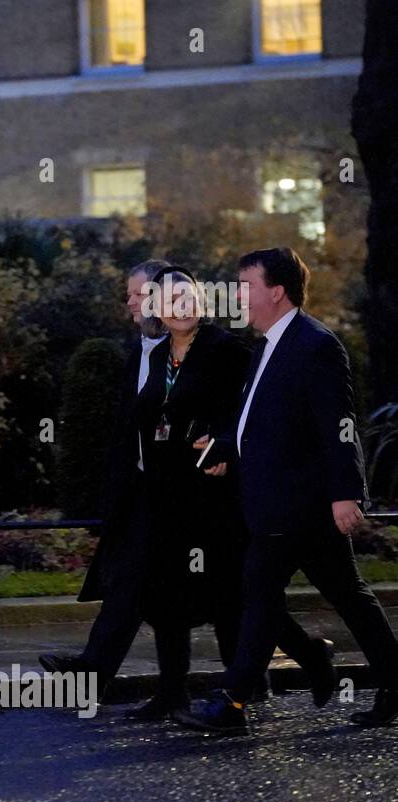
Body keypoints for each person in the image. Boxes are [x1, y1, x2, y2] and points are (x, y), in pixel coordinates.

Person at [178, 247, 396, 735]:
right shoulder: (269, 344)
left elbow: (339, 424)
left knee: (258, 591)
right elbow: (256, 419)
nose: (238, 296)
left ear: (275, 291)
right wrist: (222, 449)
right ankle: (390, 680)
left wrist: (347, 492)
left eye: (246, 287)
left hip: (296, 502)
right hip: (283, 501)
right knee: (347, 594)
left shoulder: (315, 344)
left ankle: (232, 702)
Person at [129, 267, 326, 719]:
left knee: (230, 593)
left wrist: (222, 441)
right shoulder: (159, 358)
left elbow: (252, 412)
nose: (180, 305)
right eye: (170, 298)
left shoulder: (226, 351)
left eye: (189, 297)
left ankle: (307, 656)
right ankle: (171, 691)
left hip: (213, 494)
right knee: (164, 593)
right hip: (165, 494)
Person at [38, 260, 172, 693]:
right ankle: (95, 674)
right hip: (141, 492)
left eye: (136, 294)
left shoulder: (188, 352)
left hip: (177, 492)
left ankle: (278, 663)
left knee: (221, 592)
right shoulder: (139, 350)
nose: (128, 302)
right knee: (131, 583)